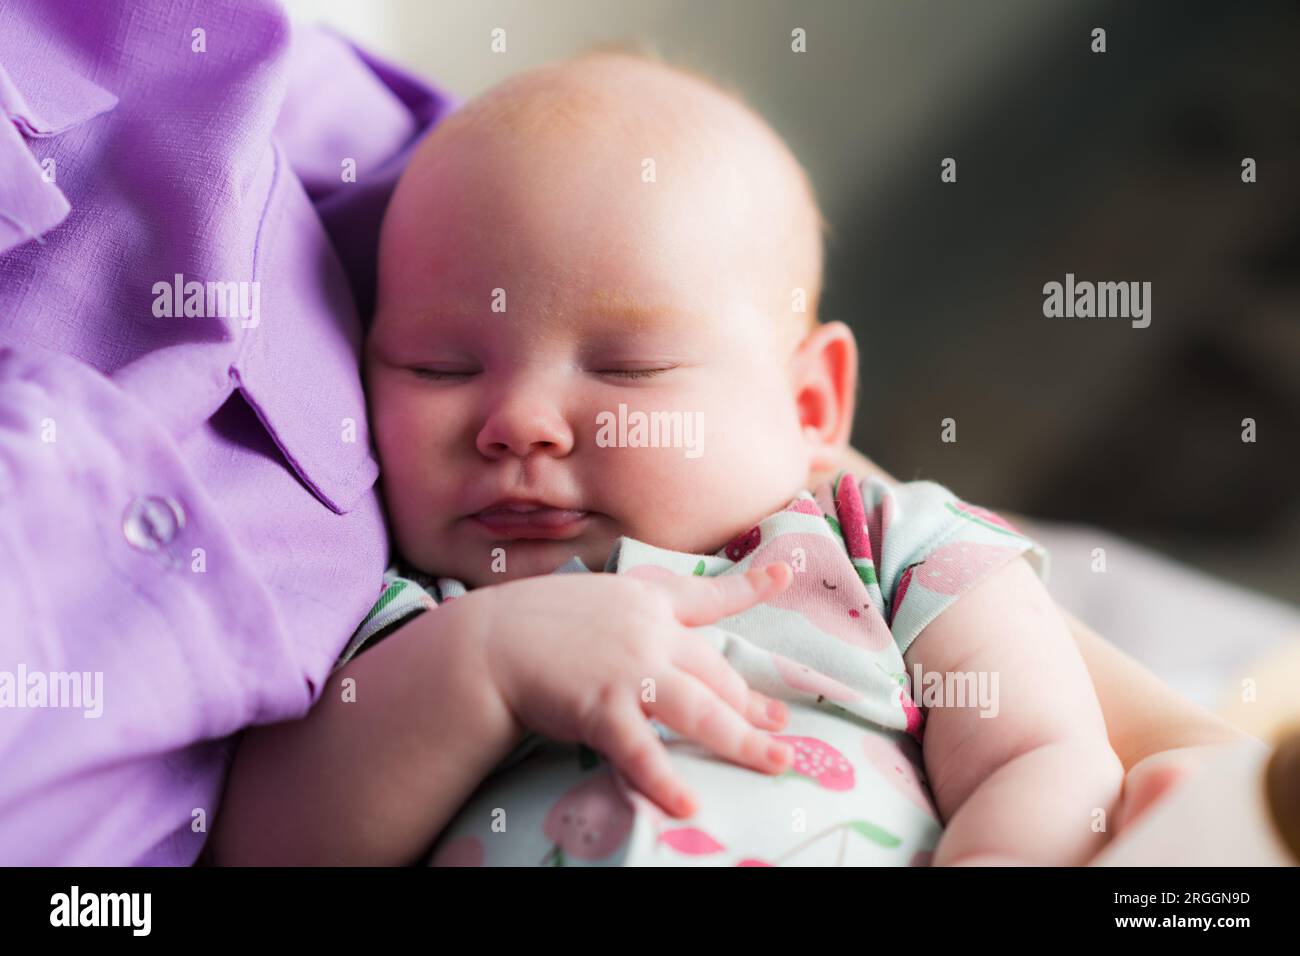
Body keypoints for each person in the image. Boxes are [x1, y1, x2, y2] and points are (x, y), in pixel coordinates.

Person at [0, 1, 1243, 867]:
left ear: (809, 405)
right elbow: (275, 846)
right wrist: (479, 671)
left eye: (627, 366)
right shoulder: (407, 616)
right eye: (438, 364)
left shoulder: (882, 544)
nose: (519, 421)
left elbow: (1046, 752)